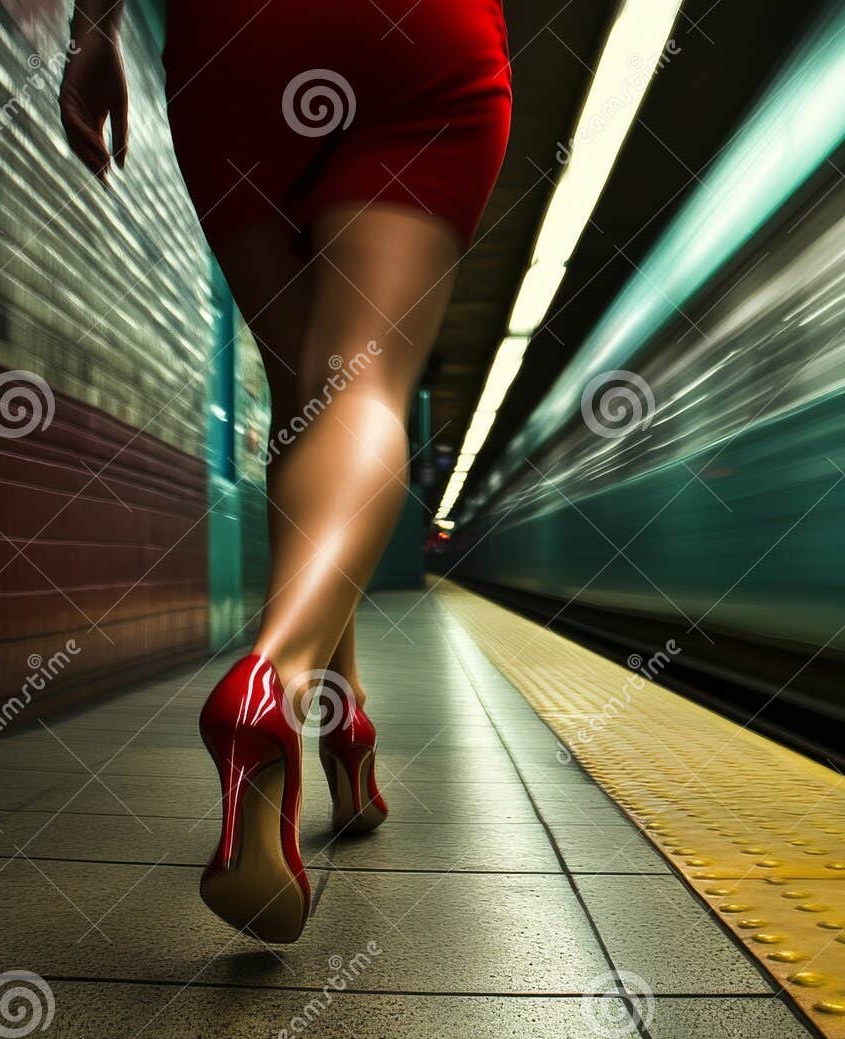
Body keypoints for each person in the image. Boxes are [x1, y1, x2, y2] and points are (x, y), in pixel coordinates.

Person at [59, 0, 511, 942]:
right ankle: (278, 678)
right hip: (421, 35)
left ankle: (345, 737)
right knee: (363, 382)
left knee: (306, 393)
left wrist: (94, 30)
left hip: (234, 41)